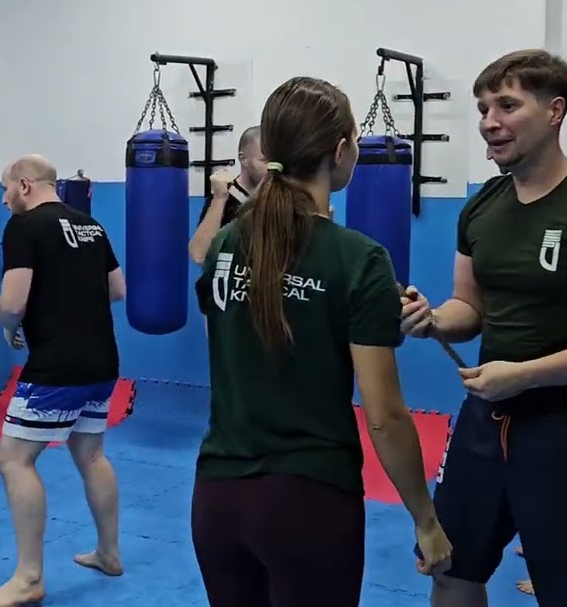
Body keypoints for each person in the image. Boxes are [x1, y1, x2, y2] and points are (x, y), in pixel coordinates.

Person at [402, 49, 567, 607]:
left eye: (506, 104)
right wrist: (430, 322)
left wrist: (526, 374)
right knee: (449, 567)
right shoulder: (482, 208)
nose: (489, 122)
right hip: (484, 425)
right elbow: (468, 309)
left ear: (555, 111)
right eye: (482, 108)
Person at [191, 76, 453, 606]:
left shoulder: (225, 243)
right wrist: (426, 518)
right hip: (306, 501)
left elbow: (253, 322)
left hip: (217, 498)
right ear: (339, 151)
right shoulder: (358, 257)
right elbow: (385, 416)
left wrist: (364, 306)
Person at [0, 154, 127, 607]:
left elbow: (12, 302)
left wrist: (7, 322)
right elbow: (118, 290)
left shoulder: (24, 227)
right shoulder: (90, 226)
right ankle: (109, 553)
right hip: (102, 360)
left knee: (13, 460)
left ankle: (28, 578)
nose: (3, 201)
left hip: (58, 365)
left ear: (24, 184)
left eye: (4, 190)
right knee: (90, 452)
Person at [189, 125, 267, 264]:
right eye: (264, 161)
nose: (270, 168)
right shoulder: (227, 198)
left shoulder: (278, 197)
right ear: (243, 159)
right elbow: (199, 255)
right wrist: (219, 198)